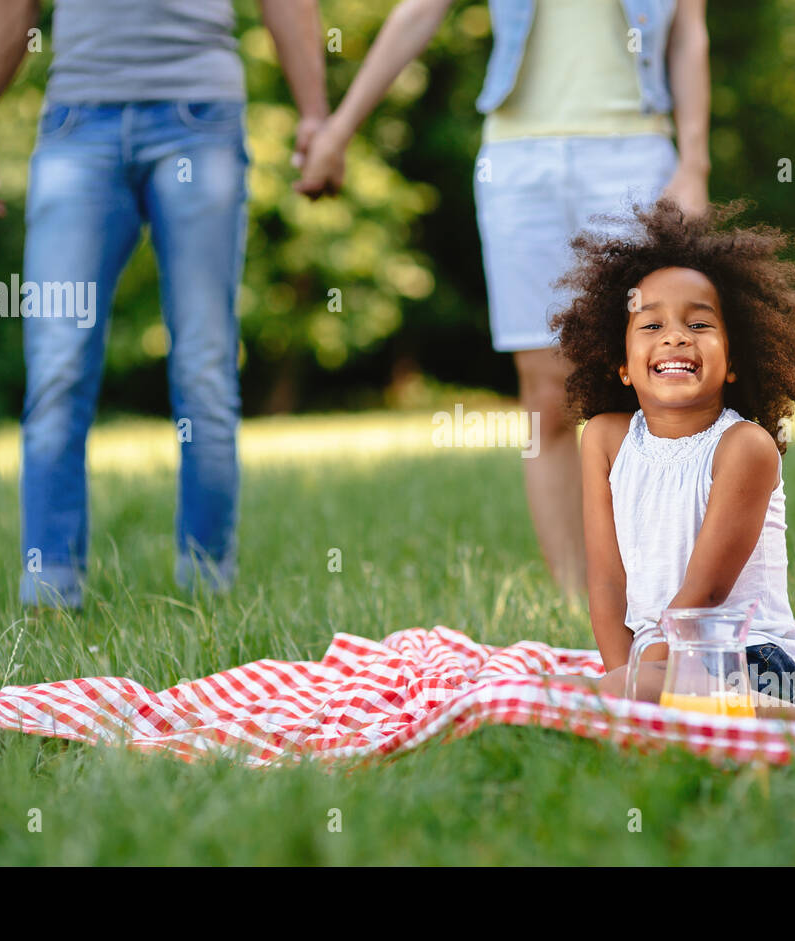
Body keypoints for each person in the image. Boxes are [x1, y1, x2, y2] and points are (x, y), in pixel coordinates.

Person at [295, 0, 711, 595]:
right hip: (517, 162)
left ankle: (668, 593)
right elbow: (420, 11)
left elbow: (688, 31)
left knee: (652, 386)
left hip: (633, 154)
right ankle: (578, 602)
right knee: (546, 393)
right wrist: (338, 131)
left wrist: (694, 162)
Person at [0, 0, 328, 608]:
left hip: (198, 116)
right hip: (78, 122)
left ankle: (206, 589)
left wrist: (315, 113)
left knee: (203, 362)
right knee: (57, 362)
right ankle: (50, 589)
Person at [550, 197, 795, 716]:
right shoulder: (605, 440)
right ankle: (650, 705)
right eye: (651, 327)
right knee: (589, 689)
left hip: (755, 661)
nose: (675, 335)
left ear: (735, 360)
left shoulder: (744, 447)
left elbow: (706, 591)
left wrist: (641, 677)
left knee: (580, 697)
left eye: (699, 325)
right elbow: (607, 581)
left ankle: (782, 717)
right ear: (622, 363)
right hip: (658, 662)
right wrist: (623, 673)